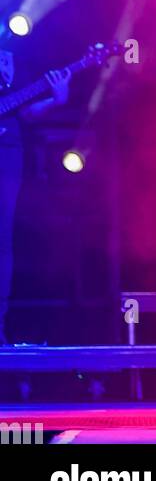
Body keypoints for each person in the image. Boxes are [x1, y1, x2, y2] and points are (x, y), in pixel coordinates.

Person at [0, 51, 71, 346]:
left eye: (6, 61)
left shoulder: (15, 74)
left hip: (7, 157)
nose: (3, 66)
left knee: (2, 241)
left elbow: (27, 112)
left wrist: (57, 98)